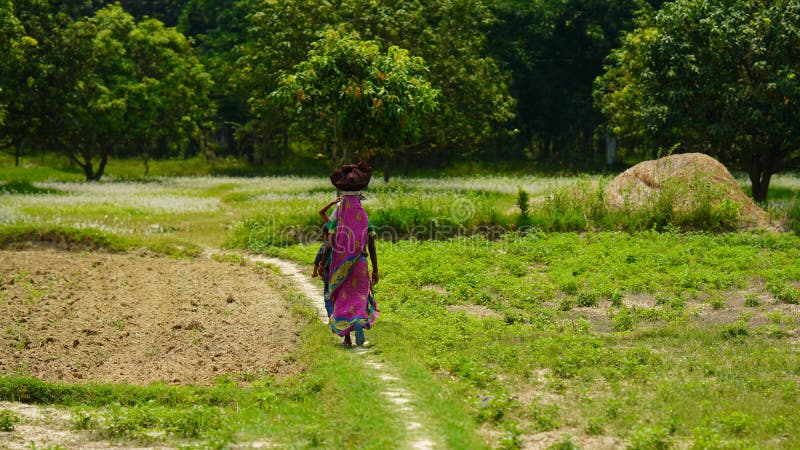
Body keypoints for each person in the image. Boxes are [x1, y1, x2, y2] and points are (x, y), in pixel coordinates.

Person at [321, 161, 379, 347]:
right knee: (359, 297)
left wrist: (323, 263)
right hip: (361, 263)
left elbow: (330, 244)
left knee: (341, 298)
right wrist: (376, 269)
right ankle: (358, 322)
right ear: (360, 196)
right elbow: (371, 243)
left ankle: (347, 338)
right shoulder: (363, 215)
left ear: (340, 195)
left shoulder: (337, 214)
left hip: (340, 265)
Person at [312, 195, 341, 318]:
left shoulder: (333, 224)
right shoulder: (353, 227)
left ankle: (331, 315)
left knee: (328, 293)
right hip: (344, 265)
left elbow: (321, 212)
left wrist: (333, 203)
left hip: (329, 268)